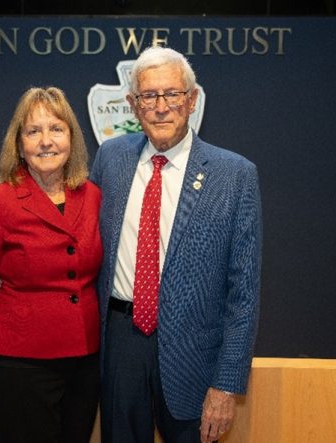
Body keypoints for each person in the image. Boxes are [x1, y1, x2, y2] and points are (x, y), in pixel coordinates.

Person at [90, 46, 262, 443]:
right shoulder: (110, 159)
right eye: (149, 97)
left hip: (194, 354)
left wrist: (226, 384)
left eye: (172, 94)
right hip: (121, 342)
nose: (162, 107)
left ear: (192, 100)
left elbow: (244, 294)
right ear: (134, 105)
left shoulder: (235, 176)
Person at [0, 86, 102, 443]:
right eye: (33, 131)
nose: (46, 141)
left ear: (72, 138)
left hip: (84, 365)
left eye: (56, 129)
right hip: (19, 366)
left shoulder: (93, 195)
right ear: (19, 144)